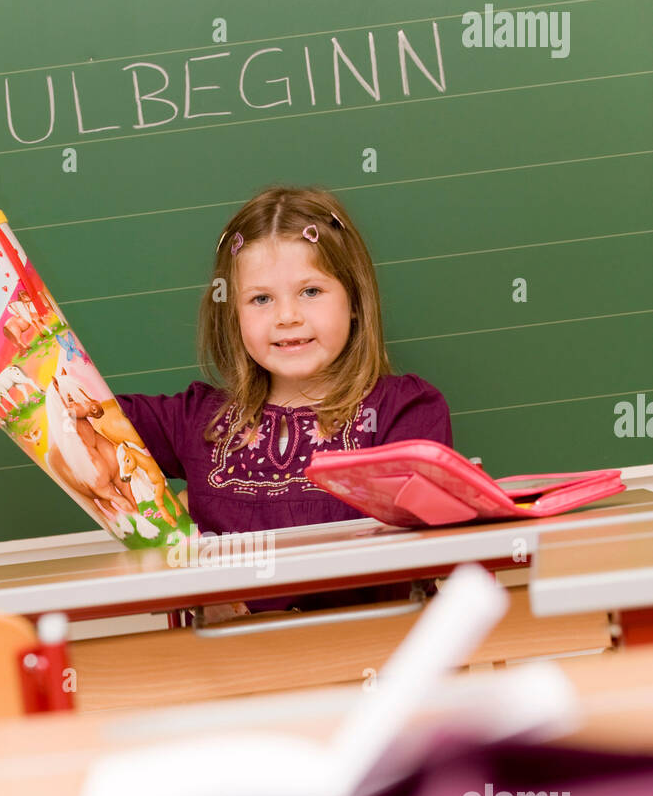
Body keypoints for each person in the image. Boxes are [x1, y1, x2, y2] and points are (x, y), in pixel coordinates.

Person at [116, 185, 452, 622]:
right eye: (261, 299)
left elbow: (423, 537)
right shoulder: (197, 420)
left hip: (378, 662)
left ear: (354, 300)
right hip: (231, 671)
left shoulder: (405, 411)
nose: (287, 316)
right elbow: (74, 412)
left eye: (311, 291)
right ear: (232, 316)